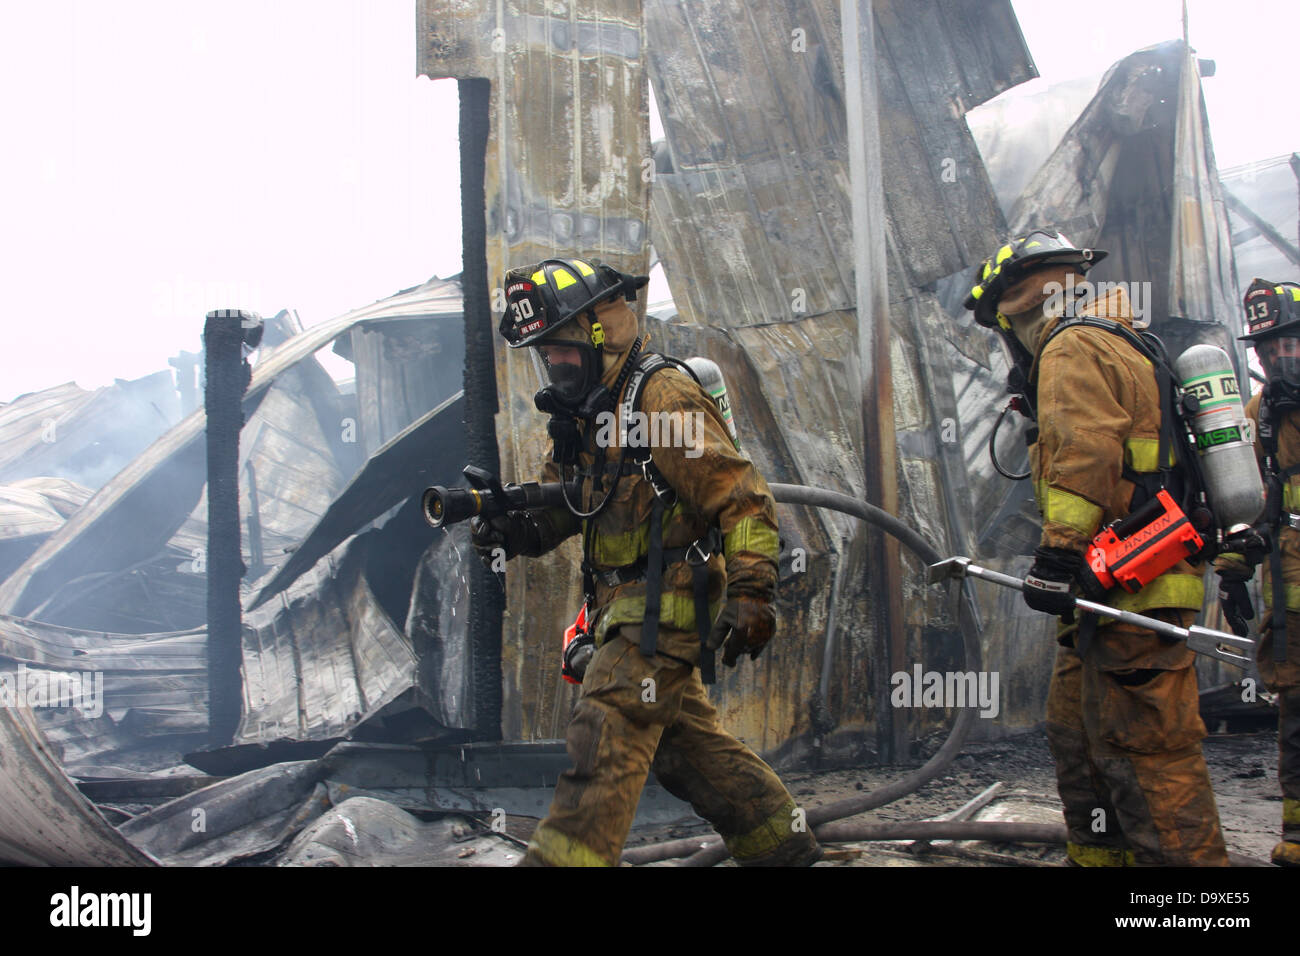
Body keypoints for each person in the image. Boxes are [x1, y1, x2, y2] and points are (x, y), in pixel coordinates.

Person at [472, 256, 820, 867]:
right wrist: (512, 526)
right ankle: (783, 849)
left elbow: (742, 499)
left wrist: (754, 591)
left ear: (600, 335)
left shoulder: (661, 397)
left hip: (669, 604)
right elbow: (566, 506)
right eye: (544, 354)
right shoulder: (584, 417)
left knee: (606, 735)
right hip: (621, 610)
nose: (553, 366)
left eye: (562, 351)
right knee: (686, 749)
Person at [965, 229, 1228, 865]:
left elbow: (1086, 452)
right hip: (1105, 592)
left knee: (1147, 758)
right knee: (1077, 736)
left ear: (1015, 307)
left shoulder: (1070, 346)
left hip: (1134, 591)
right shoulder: (1117, 340)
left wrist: (1056, 556)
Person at [1217, 278, 1300, 867]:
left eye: (1287, 344)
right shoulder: (1258, 415)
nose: (1277, 357)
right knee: (1296, 712)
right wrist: (1232, 567)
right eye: (1267, 349)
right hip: (1291, 597)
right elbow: (1248, 501)